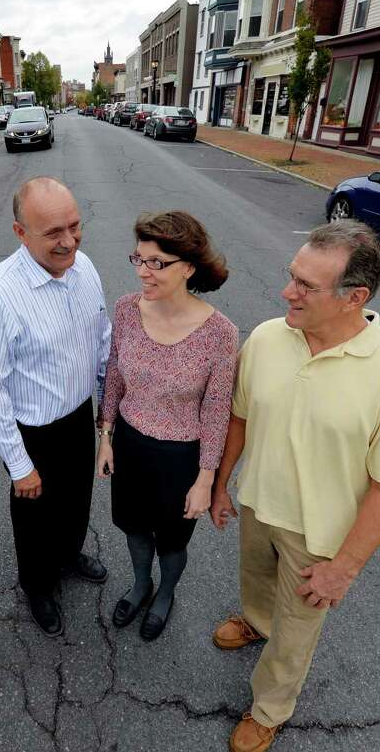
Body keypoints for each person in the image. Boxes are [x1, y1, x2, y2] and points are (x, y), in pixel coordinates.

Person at [210, 219, 380, 752]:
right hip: (258, 505)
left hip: (319, 536)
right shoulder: (268, 338)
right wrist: (222, 486)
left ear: (354, 297)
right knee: (256, 584)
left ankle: (269, 709)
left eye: (306, 286)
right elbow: (240, 417)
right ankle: (256, 621)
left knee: (296, 631)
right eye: (292, 276)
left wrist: (344, 569)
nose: (287, 292)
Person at [0, 176, 111, 637]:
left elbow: (102, 339)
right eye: (53, 232)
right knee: (35, 518)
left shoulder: (84, 267)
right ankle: (38, 585)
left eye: (74, 226)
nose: (69, 241)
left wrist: (105, 414)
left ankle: (68, 555)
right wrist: (18, 463)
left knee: (77, 499)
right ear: (20, 232)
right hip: (33, 432)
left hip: (78, 415)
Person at [95, 211, 237, 641]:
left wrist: (206, 480)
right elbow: (114, 373)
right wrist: (106, 436)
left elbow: (217, 411)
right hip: (130, 445)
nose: (143, 271)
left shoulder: (220, 334)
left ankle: (165, 592)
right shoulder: (126, 309)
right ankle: (141, 585)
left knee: (172, 542)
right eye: (138, 259)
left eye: (157, 262)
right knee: (134, 528)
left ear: (188, 268)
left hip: (181, 458)